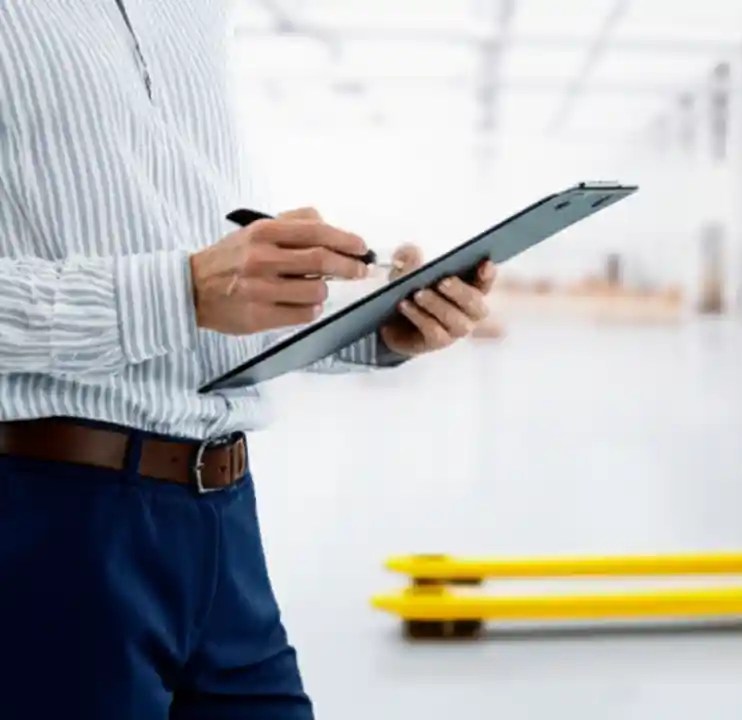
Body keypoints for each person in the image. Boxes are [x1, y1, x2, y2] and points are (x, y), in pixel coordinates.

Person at [0, 4, 495, 718]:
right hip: (51, 519)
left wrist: (377, 329)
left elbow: (207, 293)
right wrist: (181, 290)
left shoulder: (195, 13)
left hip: (224, 522)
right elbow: (189, 289)